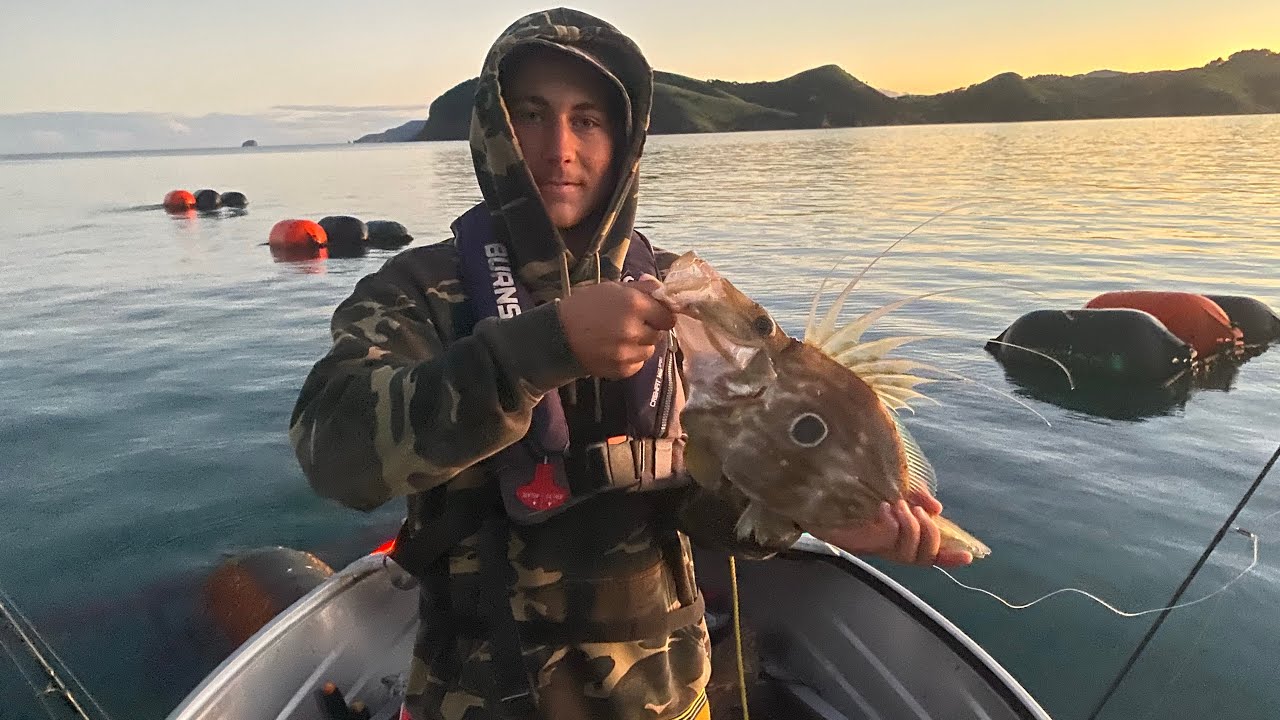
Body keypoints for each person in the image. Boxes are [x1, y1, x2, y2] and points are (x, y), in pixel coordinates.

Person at [289, 8, 970, 720]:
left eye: (588, 120)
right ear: (493, 130)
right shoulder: (418, 291)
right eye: (530, 114)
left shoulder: (683, 297)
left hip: (665, 699)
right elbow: (335, 456)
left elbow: (709, 513)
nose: (559, 149)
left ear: (624, 139)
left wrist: (813, 518)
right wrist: (542, 349)